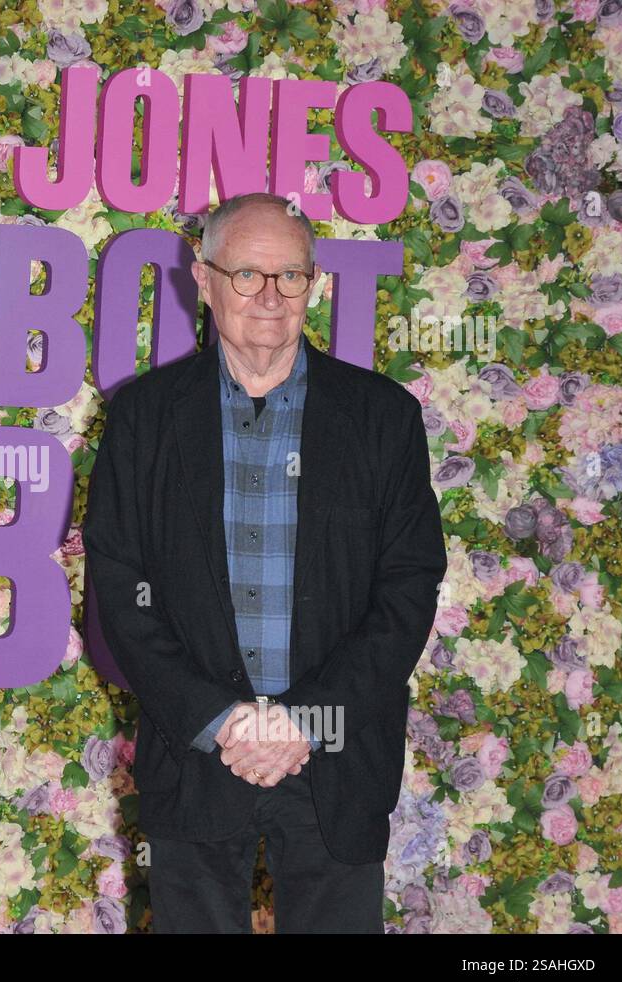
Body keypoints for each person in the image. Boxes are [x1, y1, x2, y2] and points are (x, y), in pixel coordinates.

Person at [82, 192, 448, 933]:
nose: (271, 297)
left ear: (313, 282)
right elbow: (119, 588)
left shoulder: (383, 418)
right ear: (204, 278)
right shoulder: (143, 417)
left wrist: (303, 721)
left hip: (337, 759)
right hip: (195, 754)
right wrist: (222, 720)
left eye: (291, 276)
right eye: (248, 275)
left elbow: (407, 590)